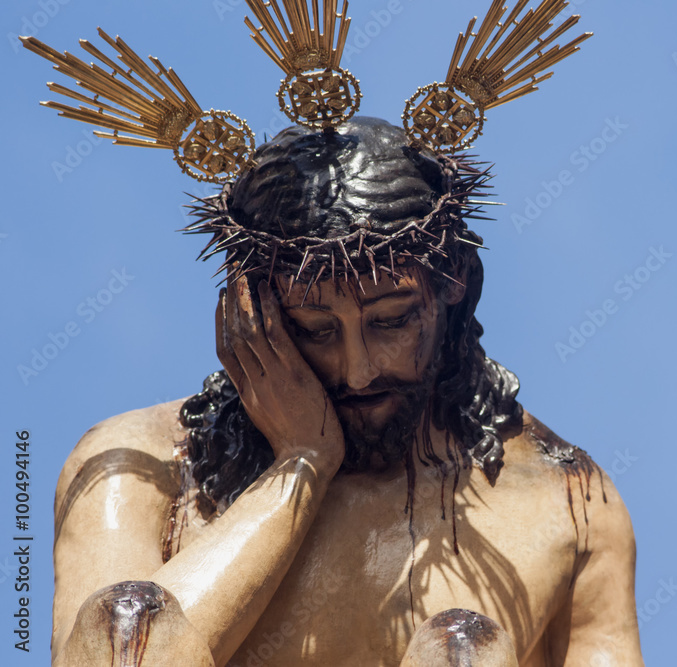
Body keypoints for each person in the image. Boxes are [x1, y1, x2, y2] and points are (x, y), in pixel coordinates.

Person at [27, 2, 644, 665]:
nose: (358, 370)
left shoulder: (565, 499)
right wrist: (299, 463)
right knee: (128, 615)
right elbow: (122, 656)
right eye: (315, 330)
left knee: (463, 648)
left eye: (391, 320)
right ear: (249, 314)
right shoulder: (136, 467)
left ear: (455, 283)